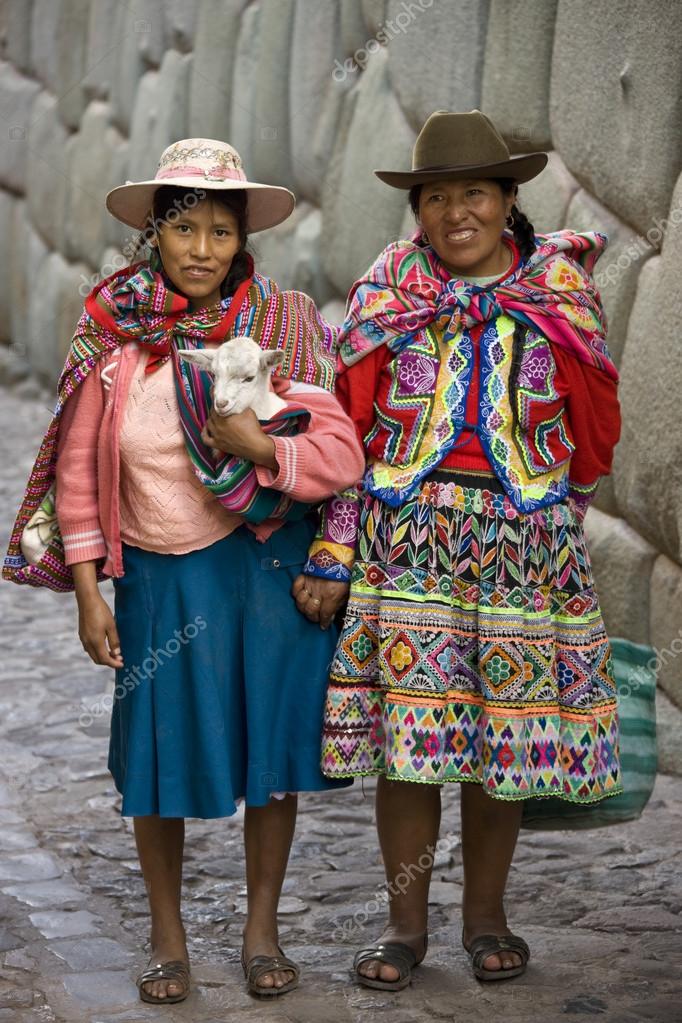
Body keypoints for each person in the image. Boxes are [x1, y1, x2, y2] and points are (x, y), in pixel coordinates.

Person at [4, 139, 364, 1003]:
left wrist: (262, 458)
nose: (202, 248)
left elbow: (341, 451)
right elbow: (82, 475)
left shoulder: (281, 326)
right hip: (159, 578)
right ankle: (169, 939)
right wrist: (90, 592)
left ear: (242, 239)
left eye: (220, 230)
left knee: (270, 750)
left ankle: (261, 929)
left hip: (264, 566)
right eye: (185, 227)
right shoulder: (113, 335)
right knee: (156, 754)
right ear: (154, 235)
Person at [297, 110, 621, 989]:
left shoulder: (557, 291)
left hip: (523, 538)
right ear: (419, 210)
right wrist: (334, 549)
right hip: (407, 541)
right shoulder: (388, 291)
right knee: (411, 742)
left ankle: (487, 915)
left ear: (510, 198)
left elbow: (595, 430)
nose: (454, 214)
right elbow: (345, 428)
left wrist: (556, 505)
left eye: (472, 193)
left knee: (500, 738)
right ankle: (405, 925)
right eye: (435, 198)